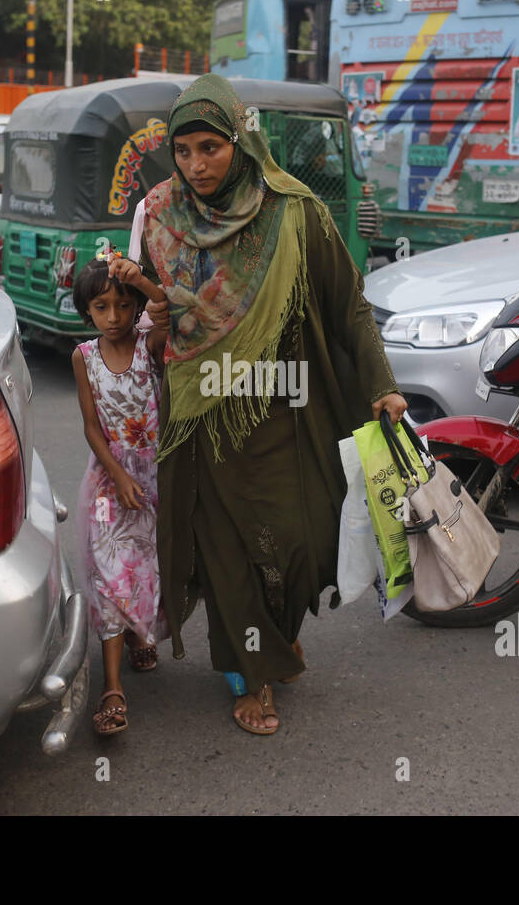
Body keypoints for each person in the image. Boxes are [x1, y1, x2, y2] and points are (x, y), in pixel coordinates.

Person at [109, 73, 404, 735]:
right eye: (183, 152)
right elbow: (144, 308)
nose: (196, 166)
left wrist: (381, 381)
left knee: (299, 542)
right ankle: (253, 675)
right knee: (227, 554)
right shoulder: (158, 213)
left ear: (239, 140)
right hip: (200, 416)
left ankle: (275, 637)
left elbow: (347, 302)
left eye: (210, 148)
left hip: (283, 409)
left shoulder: (294, 210)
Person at [70, 257, 169, 736]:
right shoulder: (83, 357)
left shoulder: (150, 346)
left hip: (153, 477)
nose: (114, 316)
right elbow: (92, 427)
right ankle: (112, 688)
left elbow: (166, 307)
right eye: (102, 306)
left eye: (123, 306)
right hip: (110, 482)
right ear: (87, 311)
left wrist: (141, 280)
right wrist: (117, 474)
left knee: (145, 567)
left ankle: (138, 636)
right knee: (112, 576)